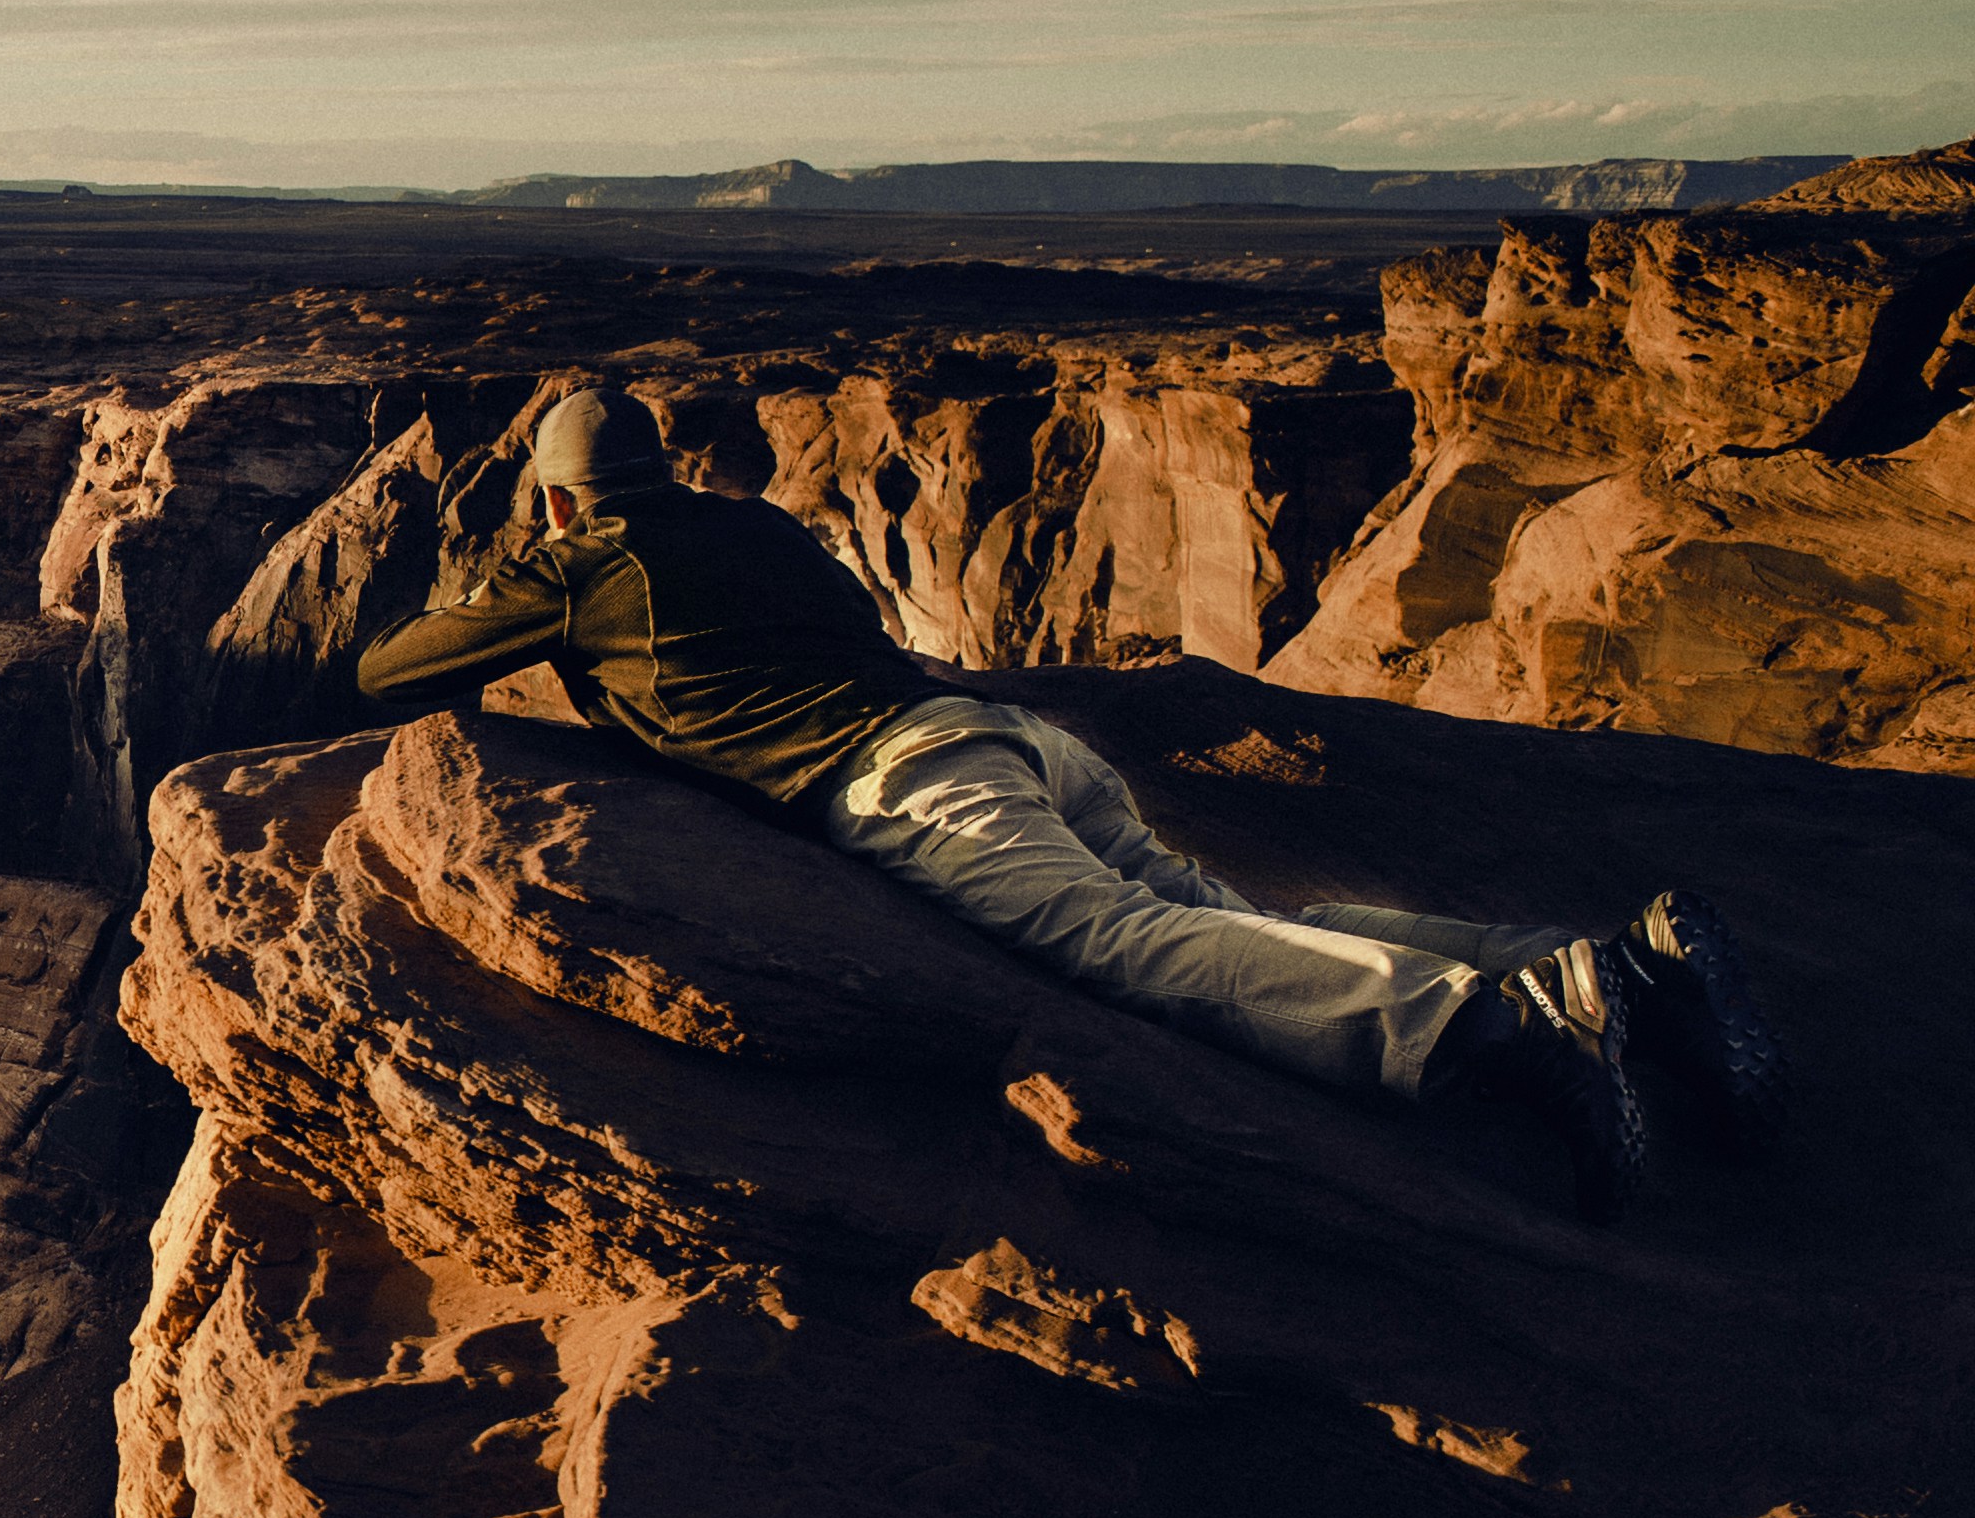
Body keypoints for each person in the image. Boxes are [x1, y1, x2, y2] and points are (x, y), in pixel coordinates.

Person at [341, 385, 1784, 1220]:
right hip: (1009, 739)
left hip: (909, 785)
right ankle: (1594, 969)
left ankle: (1497, 1032)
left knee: (1125, 949)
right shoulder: (755, 524)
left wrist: (512, 587)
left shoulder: (583, 560)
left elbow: (387, 668)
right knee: (1223, 918)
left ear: (555, 499)